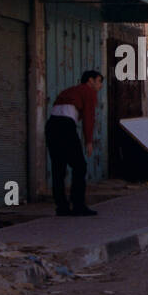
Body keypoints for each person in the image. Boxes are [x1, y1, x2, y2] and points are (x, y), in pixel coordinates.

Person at [46, 69, 102, 216]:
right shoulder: (88, 91)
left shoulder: (68, 91)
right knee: (80, 166)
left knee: (58, 168)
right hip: (65, 126)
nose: (100, 85)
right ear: (90, 81)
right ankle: (78, 205)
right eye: (99, 81)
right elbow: (89, 117)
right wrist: (89, 141)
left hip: (51, 126)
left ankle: (62, 207)